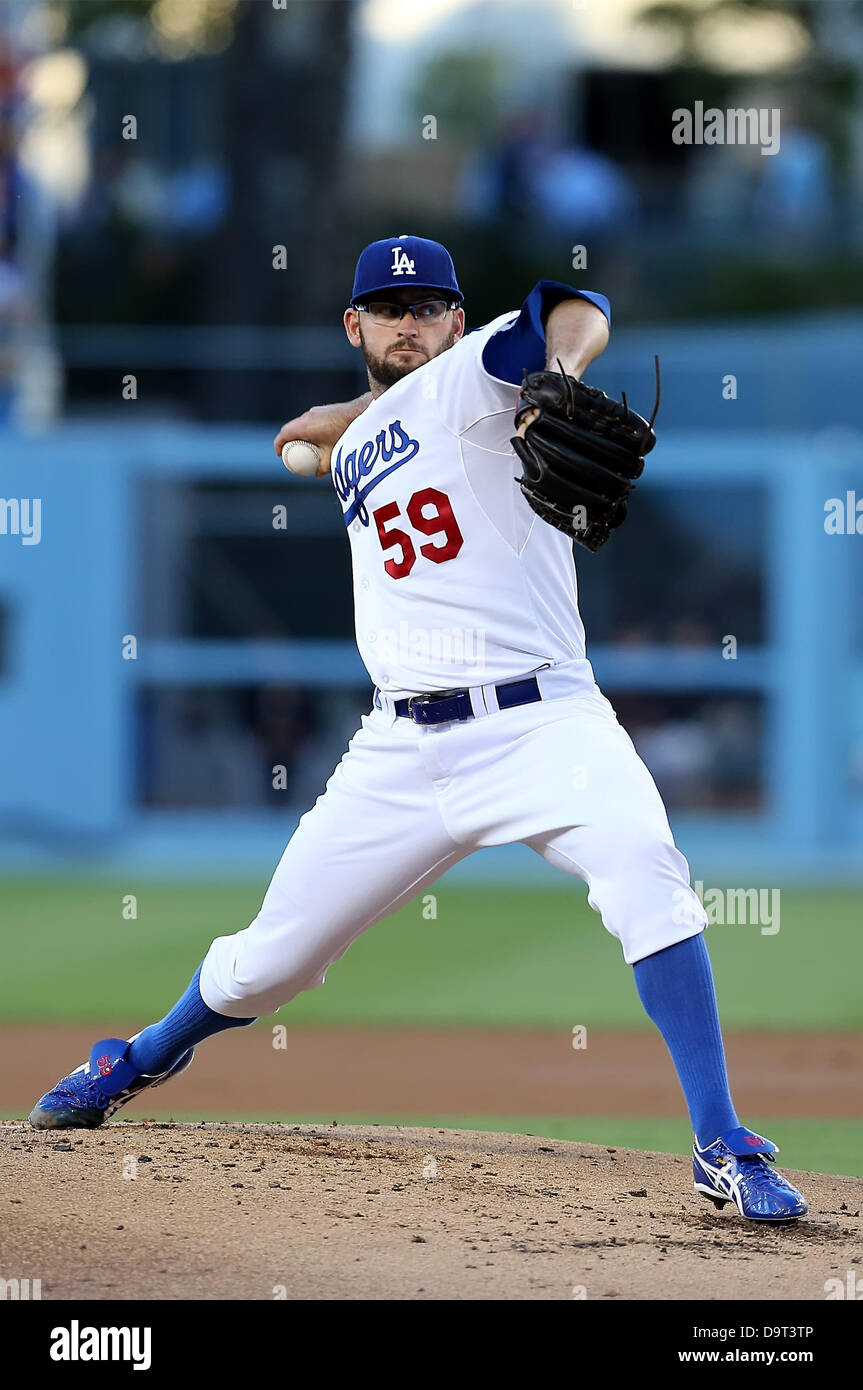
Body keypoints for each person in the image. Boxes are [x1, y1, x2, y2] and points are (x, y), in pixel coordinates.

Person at [29, 235, 807, 1224]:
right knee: (271, 961)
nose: (411, 320)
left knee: (645, 868)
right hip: (399, 749)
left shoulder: (488, 371)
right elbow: (313, 435)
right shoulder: (358, 435)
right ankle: (133, 1056)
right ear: (354, 325)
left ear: (457, 316)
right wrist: (349, 420)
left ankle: (718, 1142)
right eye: (389, 308)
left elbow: (581, 309)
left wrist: (555, 370)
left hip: (543, 722)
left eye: (429, 304)